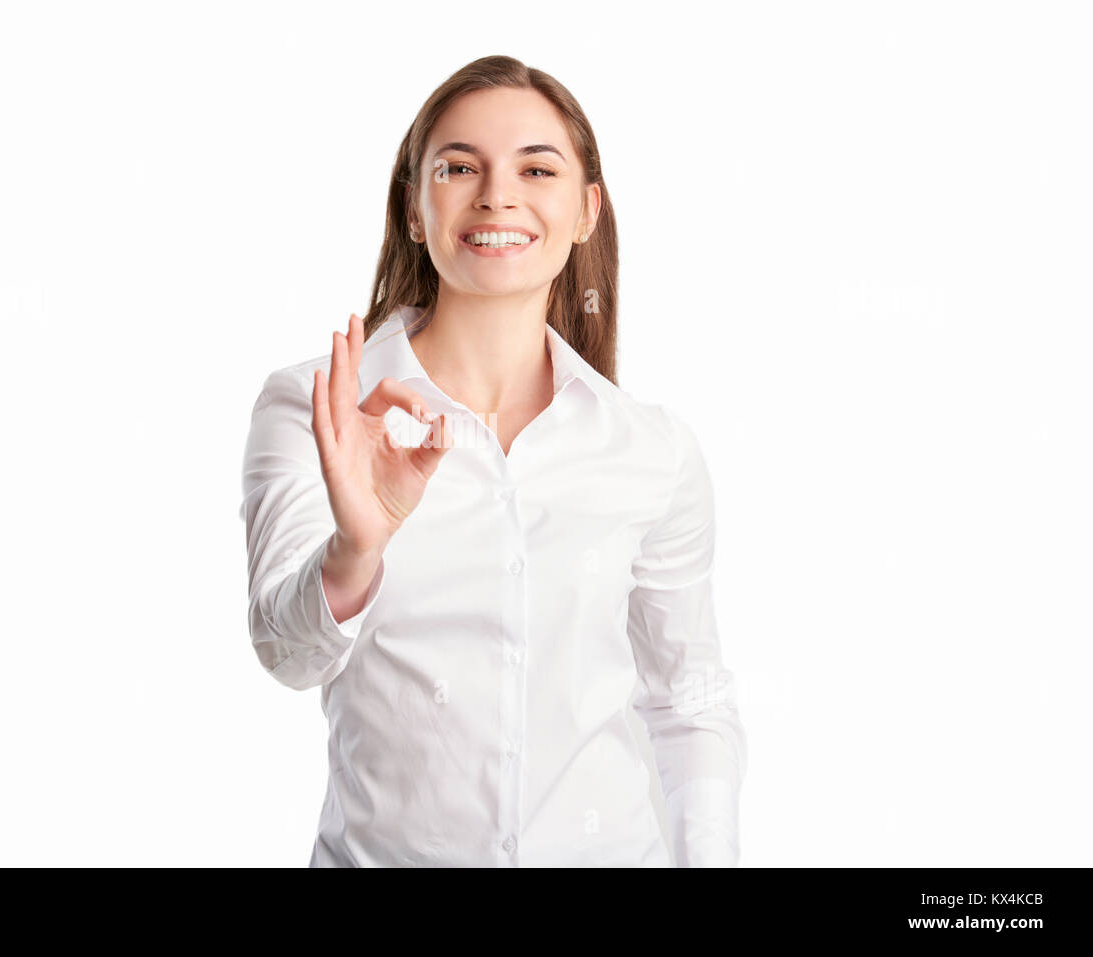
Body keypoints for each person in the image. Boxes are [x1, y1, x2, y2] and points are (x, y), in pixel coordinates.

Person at [239, 55, 748, 867]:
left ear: (586, 210)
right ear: (415, 207)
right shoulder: (318, 406)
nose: (497, 195)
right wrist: (355, 549)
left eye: (535, 168)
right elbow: (287, 652)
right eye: (458, 167)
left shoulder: (650, 450)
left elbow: (689, 702)